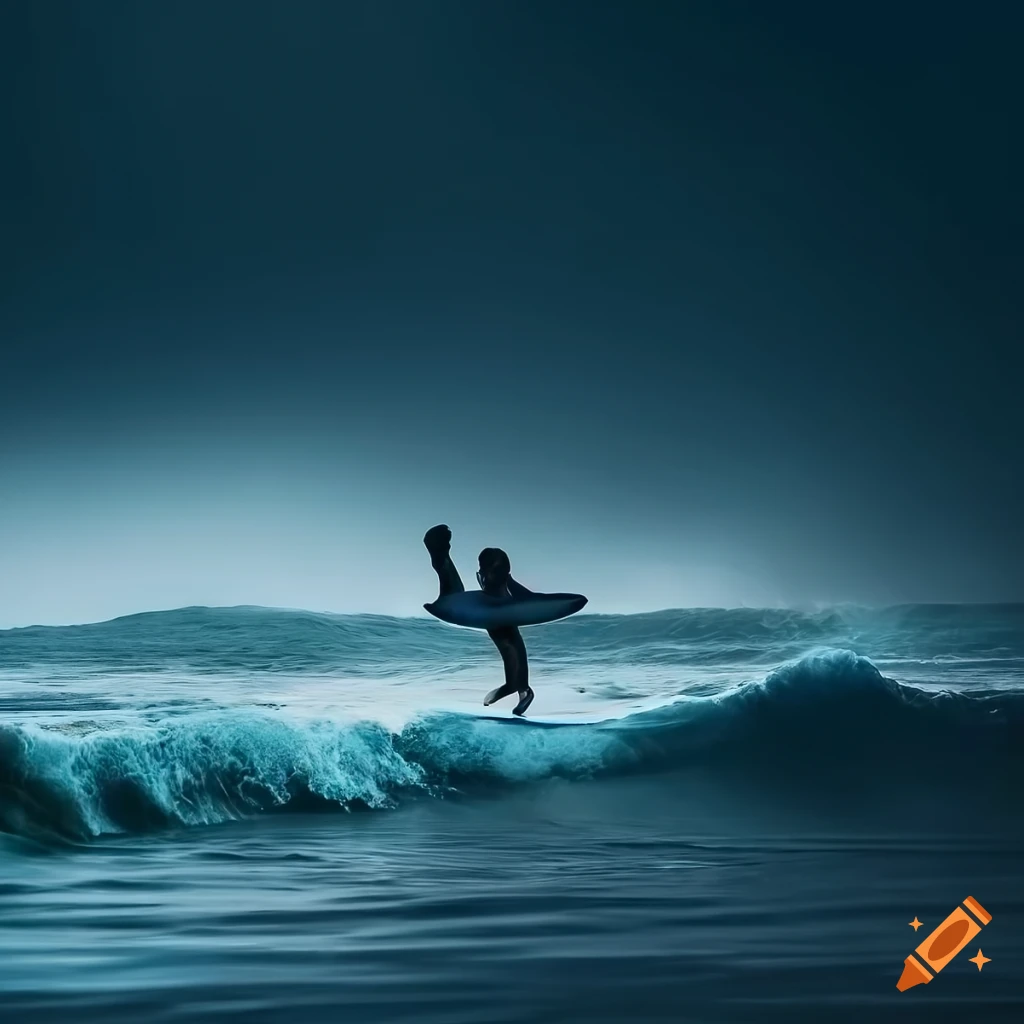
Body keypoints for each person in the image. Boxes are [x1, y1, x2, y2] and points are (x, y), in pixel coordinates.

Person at [423, 524, 535, 716]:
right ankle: (519, 688)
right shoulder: (499, 584)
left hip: (495, 610)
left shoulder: (503, 588)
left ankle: (521, 689)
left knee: (509, 646)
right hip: (491, 608)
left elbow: (524, 595)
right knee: (509, 645)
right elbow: (524, 594)